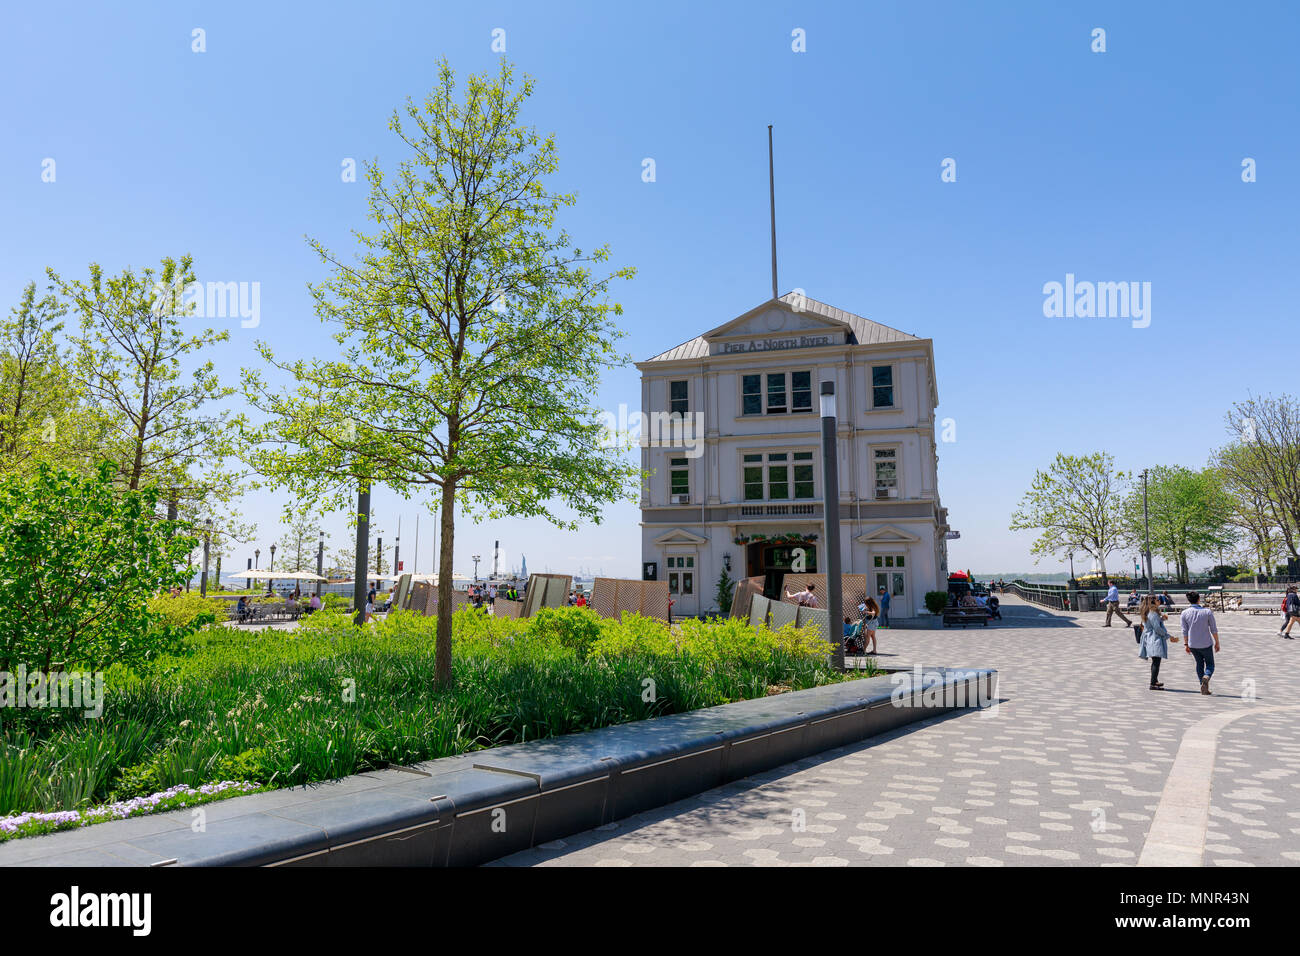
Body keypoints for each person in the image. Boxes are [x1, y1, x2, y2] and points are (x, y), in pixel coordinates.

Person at [1181, 591, 1220, 695]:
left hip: (1192, 644)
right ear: (1199, 599)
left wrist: (1186, 644)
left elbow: (1184, 631)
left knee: (1199, 663)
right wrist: (1217, 642)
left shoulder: (1184, 613)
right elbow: (1213, 629)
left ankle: (1202, 684)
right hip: (1206, 643)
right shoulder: (1207, 612)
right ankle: (1206, 676)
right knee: (1210, 664)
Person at [1137, 594, 1173, 690]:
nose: (1159, 601)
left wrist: (1161, 619)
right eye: (1157, 599)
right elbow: (1156, 628)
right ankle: (1153, 683)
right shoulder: (1153, 612)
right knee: (1156, 661)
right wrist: (1167, 636)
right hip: (1154, 639)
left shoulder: (1149, 611)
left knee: (1155, 661)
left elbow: (1152, 623)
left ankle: (1154, 681)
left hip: (1150, 638)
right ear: (1153, 602)